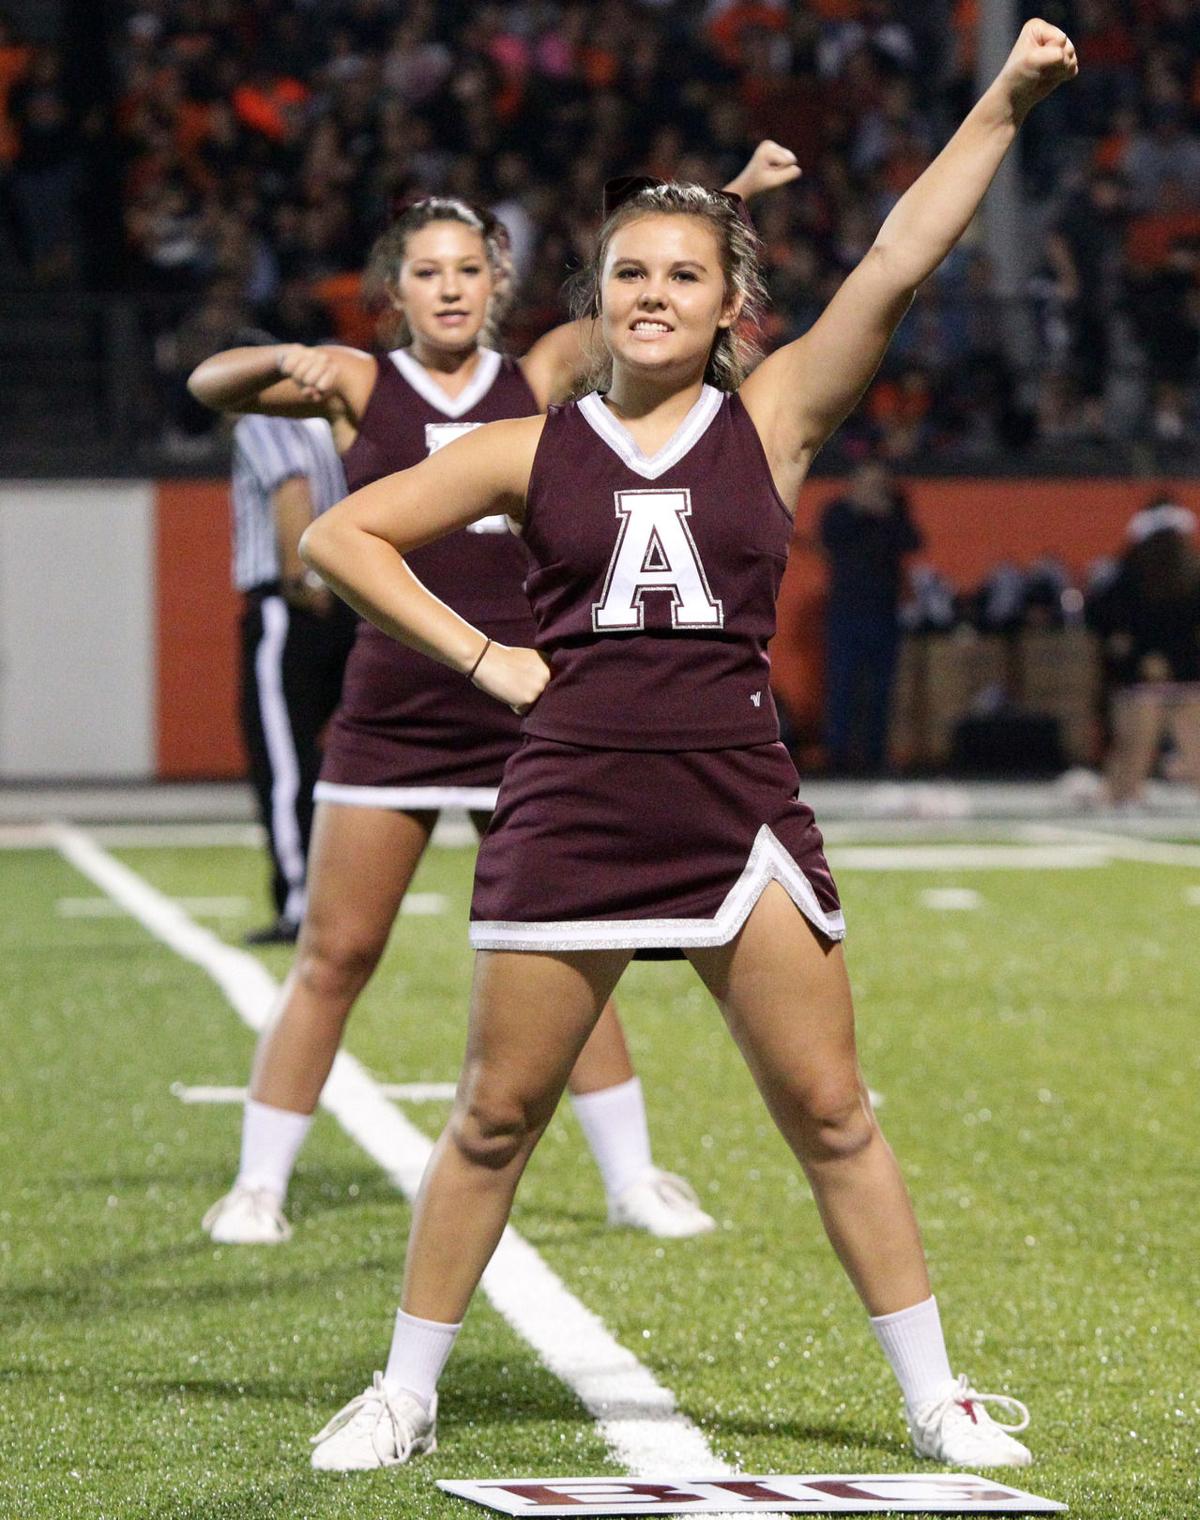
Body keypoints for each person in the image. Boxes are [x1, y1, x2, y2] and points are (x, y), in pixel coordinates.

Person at [299, 19, 1077, 1475]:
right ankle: (404, 1392)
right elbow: (347, 536)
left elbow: (903, 257)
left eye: (684, 277)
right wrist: (486, 659)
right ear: (596, 301)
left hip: (737, 809)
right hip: (570, 802)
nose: (654, 296)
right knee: (492, 1119)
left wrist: (1005, 100)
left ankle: (937, 1395)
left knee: (833, 1112)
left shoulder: (773, 420)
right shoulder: (530, 446)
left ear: (731, 306)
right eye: (631, 276)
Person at [188, 143, 802, 1247]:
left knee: (577, 947)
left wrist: (740, 190)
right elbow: (209, 387)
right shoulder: (364, 379)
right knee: (337, 951)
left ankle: (632, 1175)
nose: (451, 287)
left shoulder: (546, 370)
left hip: (534, 698)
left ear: (500, 282)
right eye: (427, 272)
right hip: (402, 698)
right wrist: (290, 356)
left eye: (468, 269)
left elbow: (667, 267)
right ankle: (259, 1179)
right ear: (396, 291)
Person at [230, 404, 358, 944]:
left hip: (294, 610)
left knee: (282, 763)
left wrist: (303, 582)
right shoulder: (323, 425)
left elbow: (291, 489)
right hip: (346, 605)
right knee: (325, 760)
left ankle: (302, 903)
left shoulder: (263, 421)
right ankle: (324, 896)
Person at [1087, 498, 1200, 805]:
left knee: (1135, 747)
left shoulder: (1128, 573)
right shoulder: (1187, 572)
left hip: (1145, 672)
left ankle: (1121, 794)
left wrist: (1130, 650)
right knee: (1185, 744)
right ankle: (1122, 792)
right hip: (1181, 670)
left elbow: (1101, 615)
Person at [819, 458, 923, 775]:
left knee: (881, 687)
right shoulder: (839, 511)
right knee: (842, 684)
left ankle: (875, 754)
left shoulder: (893, 512)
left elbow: (914, 541)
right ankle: (837, 755)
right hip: (846, 610)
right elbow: (830, 539)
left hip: (883, 610)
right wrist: (860, 511)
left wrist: (887, 514)